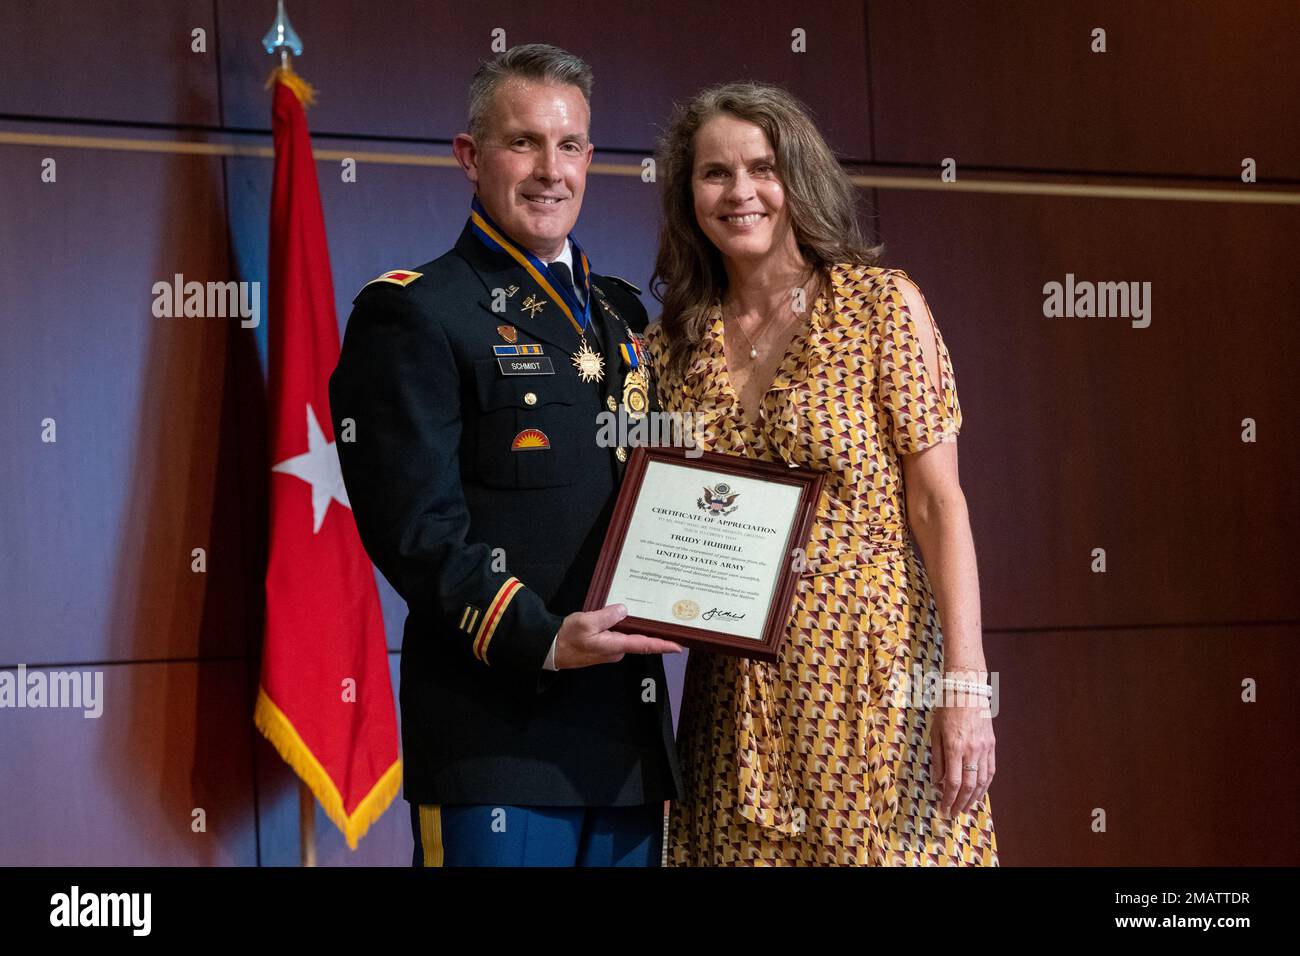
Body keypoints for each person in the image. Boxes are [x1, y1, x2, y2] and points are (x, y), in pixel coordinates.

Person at [329, 43, 682, 867]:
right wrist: (544, 638)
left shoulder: (624, 314)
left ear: (591, 160)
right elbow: (418, 531)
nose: (548, 170)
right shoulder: (416, 313)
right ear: (470, 155)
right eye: (522, 141)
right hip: (498, 739)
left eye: (568, 146)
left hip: (627, 743)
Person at [646, 82, 998, 865]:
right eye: (714, 173)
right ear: (687, 193)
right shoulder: (670, 343)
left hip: (876, 679)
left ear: (797, 178)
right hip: (732, 697)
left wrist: (966, 686)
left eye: (761, 167)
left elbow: (940, 506)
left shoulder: (881, 307)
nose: (740, 192)